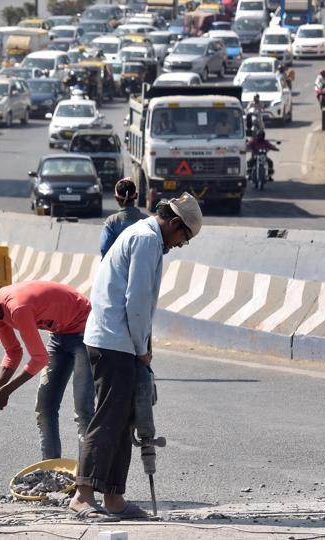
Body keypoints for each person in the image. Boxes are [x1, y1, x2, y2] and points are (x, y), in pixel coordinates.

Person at [68, 193, 202, 522]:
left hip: (119, 340)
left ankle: (114, 497)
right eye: (184, 238)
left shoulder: (145, 236)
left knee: (124, 421)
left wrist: (142, 345)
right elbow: (137, 301)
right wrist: (143, 351)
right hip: (115, 341)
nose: (180, 245)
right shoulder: (145, 240)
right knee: (108, 418)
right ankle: (82, 495)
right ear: (174, 223)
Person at [0, 280, 94, 460]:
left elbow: (39, 358)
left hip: (85, 330)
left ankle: (86, 479)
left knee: (83, 409)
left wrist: (6, 391)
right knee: (45, 406)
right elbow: (13, 353)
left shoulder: (17, 308)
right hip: (59, 334)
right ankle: (50, 471)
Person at [99, 178, 147, 258]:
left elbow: (104, 248)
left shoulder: (111, 221)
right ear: (136, 196)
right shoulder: (148, 221)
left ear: (116, 198)